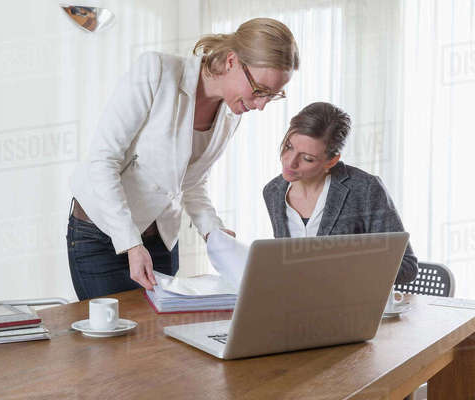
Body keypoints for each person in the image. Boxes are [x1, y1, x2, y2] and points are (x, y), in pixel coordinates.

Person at [67, 18, 300, 300]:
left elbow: (191, 181)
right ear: (231, 62)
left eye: (272, 96)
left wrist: (213, 231)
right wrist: (130, 244)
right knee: (115, 339)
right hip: (100, 234)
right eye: (260, 89)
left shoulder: (229, 113)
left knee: (158, 341)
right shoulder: (157, 71)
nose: (261, 105)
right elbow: (103, 160)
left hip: (161, 240)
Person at [262, 102, 418, 284]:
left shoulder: (364, 188)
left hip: (351, 305)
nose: (290, 162)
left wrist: (344, 266)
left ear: (331, 161)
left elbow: (407, 267)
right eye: (289, 147)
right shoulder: (273, 191)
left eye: (307, 158)